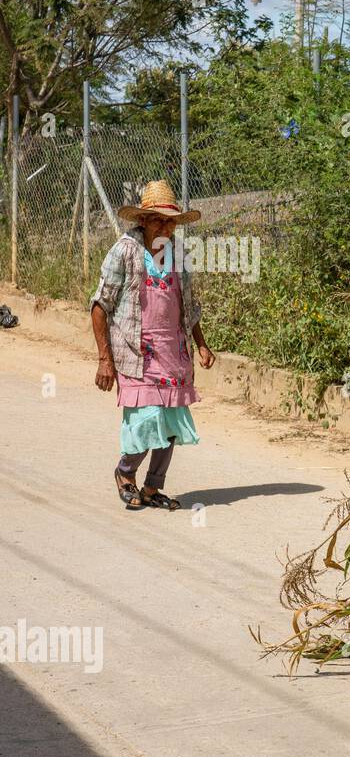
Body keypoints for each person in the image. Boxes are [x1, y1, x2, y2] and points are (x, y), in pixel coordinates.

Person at [90, 180, 214, 510]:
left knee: (170, 425)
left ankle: (151, 487)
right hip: (134, 353)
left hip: (172, 352)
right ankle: (125, 473)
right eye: (157, 219)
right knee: (146, 420)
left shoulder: (179, 255)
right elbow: (100, 306)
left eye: (169, 220)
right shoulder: (125, 251)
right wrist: (105, 359)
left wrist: (201, 344)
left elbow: (188, 305)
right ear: (143, 220)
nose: (164, 226)